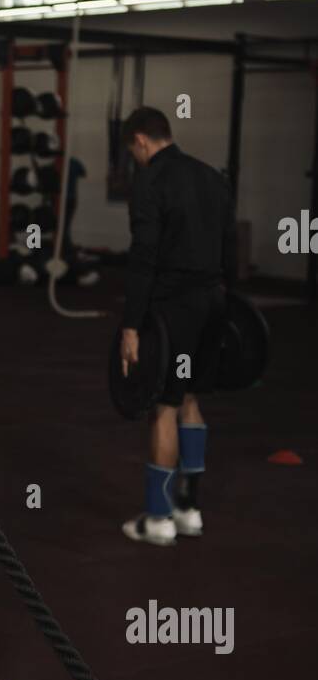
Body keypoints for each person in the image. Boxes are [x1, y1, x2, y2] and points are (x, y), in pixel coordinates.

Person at [119, 107, 237, 546]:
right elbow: (230, 250)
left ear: (142, 142)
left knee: (164, 407)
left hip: (174, 311)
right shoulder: (212, 177)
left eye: (134, 151)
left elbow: (144, 256)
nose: (136, 158)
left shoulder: (150, 180)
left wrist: (132, 326)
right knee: (190, 399)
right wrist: (227, 310)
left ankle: (159, 517)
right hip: (214, 306)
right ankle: (189, 509)